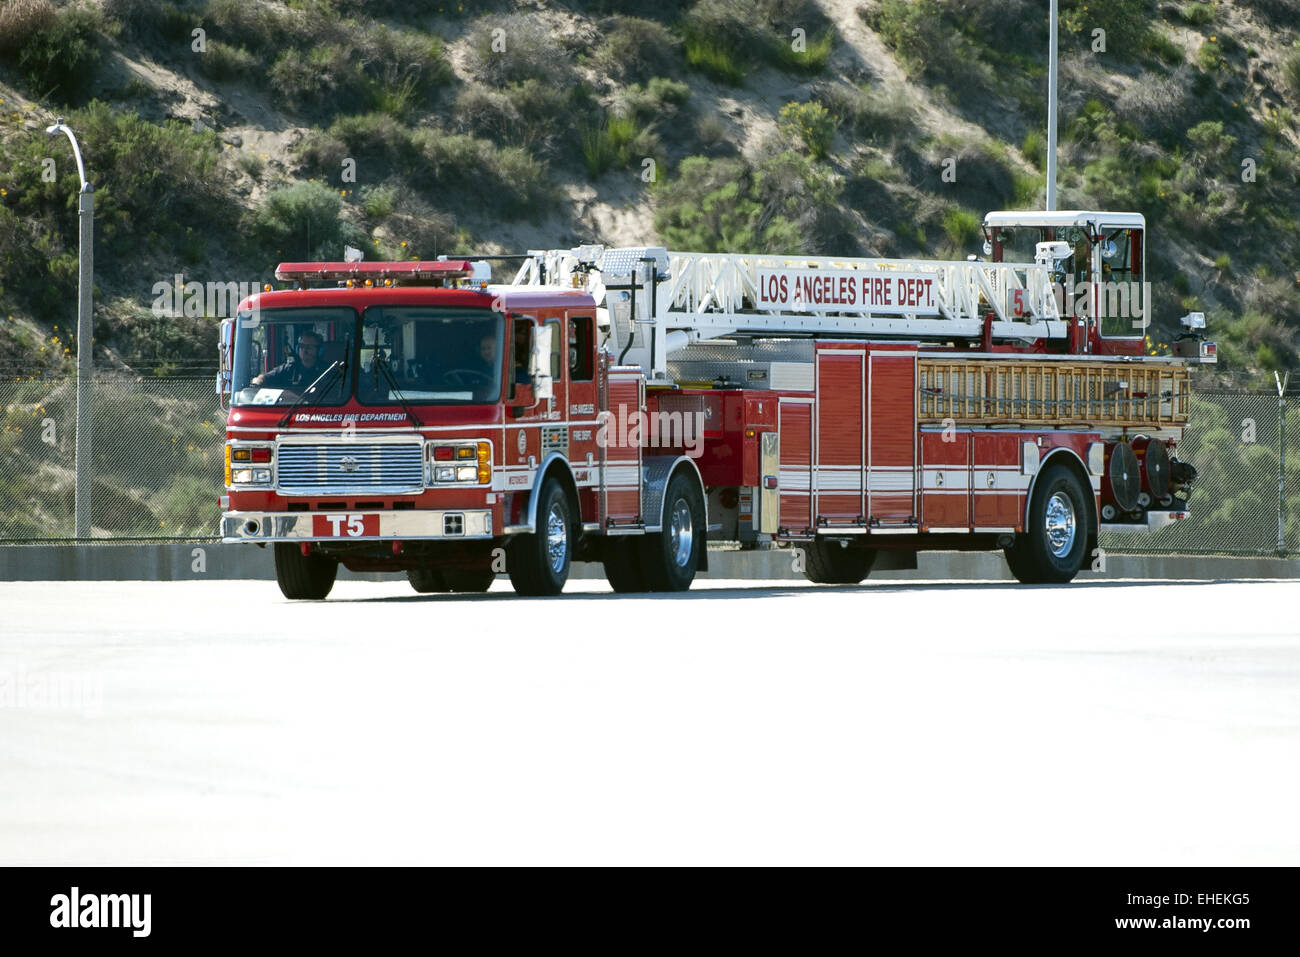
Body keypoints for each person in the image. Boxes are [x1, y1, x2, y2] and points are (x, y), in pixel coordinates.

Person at [254, 331, 326, 390]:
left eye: (309, 347)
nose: (304, 350)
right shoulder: (288, 369)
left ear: (319, 350)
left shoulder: (327, 370)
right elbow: (264, 378)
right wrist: (258, 381)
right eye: (302, 346)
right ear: (298, 349)